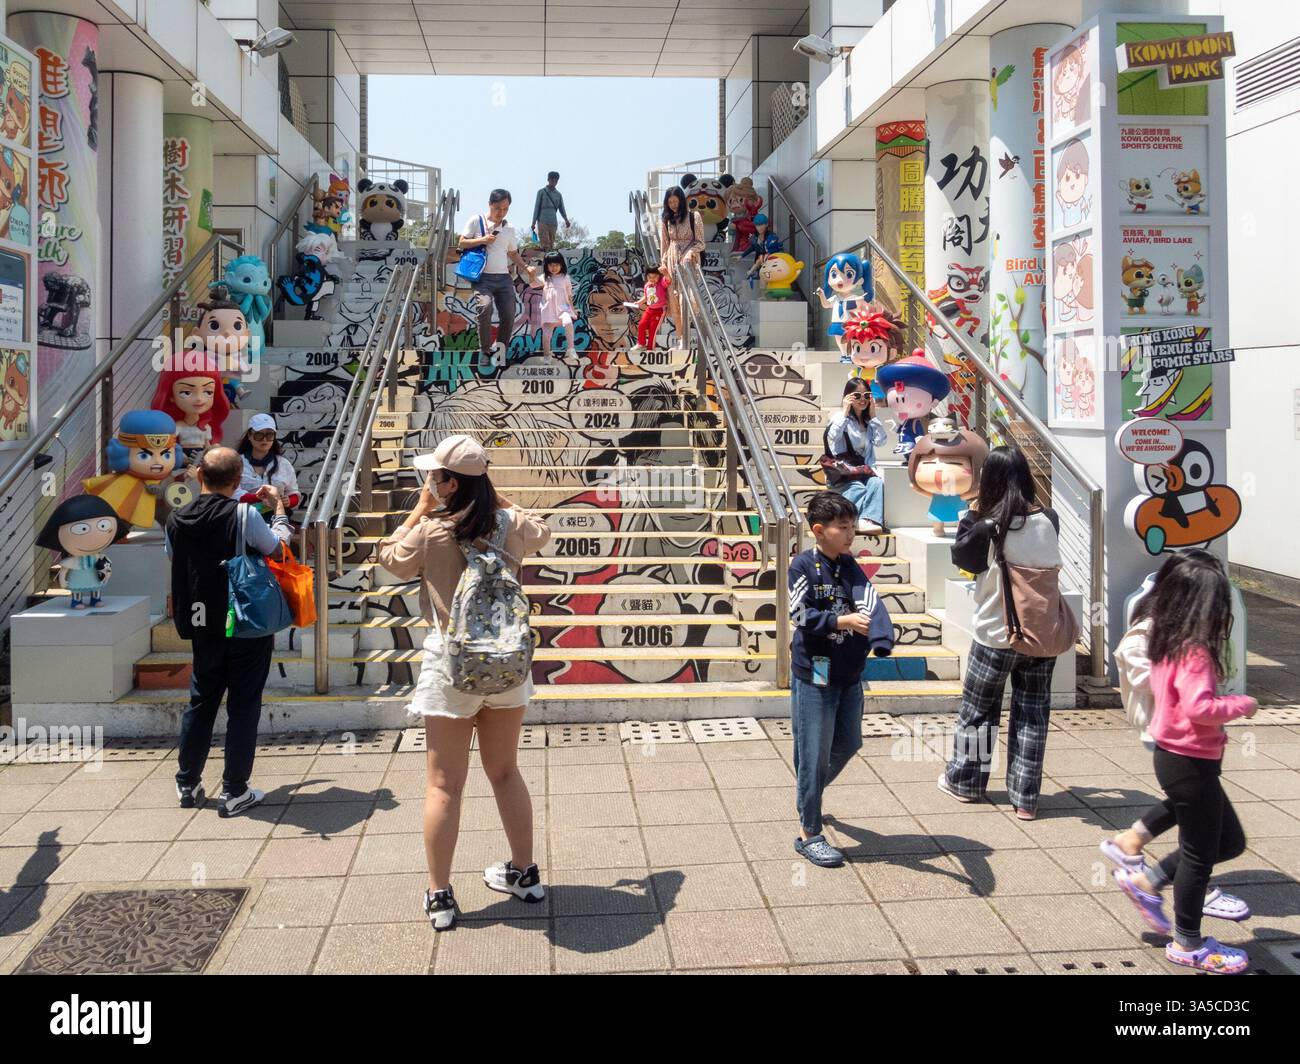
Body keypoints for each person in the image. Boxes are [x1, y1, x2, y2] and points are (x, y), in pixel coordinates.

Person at [376, 434, 551, 931]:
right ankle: (525, 873)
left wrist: (420, 509)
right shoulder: (511, 523)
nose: (429, 481)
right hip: (507, 666)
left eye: (435, 475)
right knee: (505, 772)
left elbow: (389, 560)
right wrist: (494, 497)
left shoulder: (431, 530)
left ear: (448, 482)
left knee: (443, 785)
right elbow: (541, 532)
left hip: (451, 665)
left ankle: (440, 896)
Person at [1107, 550, 1257, 975]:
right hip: (1189, 762)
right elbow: (1198, 706)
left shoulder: (1166, 641)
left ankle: (1146, 881)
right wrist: (1242, 704)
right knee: (1199, 855)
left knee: (1227, 842)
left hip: (1183, 760)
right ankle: (1188, 943)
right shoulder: (1192, 650)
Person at [166, 447, 292, 818]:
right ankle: (235, 791)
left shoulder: (176, 518)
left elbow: (175, 558)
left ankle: (187, 782)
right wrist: (279, 508)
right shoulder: (243, 513)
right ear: (238, 481)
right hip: (244, 621)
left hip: (201, 619)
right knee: (243, 705)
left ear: (200, 476)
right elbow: (277, 547)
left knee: (201, 701)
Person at [940, 445, 1062, 820]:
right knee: (1032, 713)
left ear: (987, 479)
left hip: (994, 634)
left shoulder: (980, 523)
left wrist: (976, 520)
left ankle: (966, 783)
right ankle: (1025, 798)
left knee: (978, 711)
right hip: (1041, 635)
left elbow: (964, 561)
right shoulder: (1049, 518)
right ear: (1025, 477)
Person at [787, 492, 894, 868]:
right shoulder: (802, 565)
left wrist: (880, 636)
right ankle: (809, 833)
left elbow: (870, 599)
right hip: (816, 670)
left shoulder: (848, 565)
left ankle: (807, 793)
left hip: (851, 671)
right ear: (820, 531)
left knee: (848, 741)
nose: (851, 536)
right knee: (813, 752)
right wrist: (840, 621)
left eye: (853, 528)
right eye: (843, 528)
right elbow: (799, 613)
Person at [459, 189, 535, 356]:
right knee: (484, 307)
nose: (501, 212)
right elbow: (462, 242)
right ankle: (485, 351)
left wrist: (526, 267)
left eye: (505, 209)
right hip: (482, 277)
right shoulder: (476, 220)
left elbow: (513, 253)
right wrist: (482, 240)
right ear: (490, 205)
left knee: (509, 313)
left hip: (503, 278)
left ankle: (500, 352)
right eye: (498, 208)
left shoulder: (509, 228)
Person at [822, 379, 887, 534]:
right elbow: (832, 437)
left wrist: (873, 418)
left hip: (864, 471)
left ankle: (867, 520)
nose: (862, 399)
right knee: (857, 487)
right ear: (848, 397)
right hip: (844, 472)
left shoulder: (868, 421)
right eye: (857, 396)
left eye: (867, 395)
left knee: (876, 483)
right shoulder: (840, 418)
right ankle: (849, 521)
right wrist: (844, 412)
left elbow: (881, 442)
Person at [658, 185, 704, 351]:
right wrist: (663, 263)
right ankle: (681, 340)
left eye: (676, 201)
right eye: (670, 202)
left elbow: (700, 243)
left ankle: (693, 334)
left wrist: (689, 253)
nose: (673, 204)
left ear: (682, 201)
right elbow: (664, 244)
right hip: (671, 262)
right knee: (675, 302)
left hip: (688, 262)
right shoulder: (665, 220)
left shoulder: (694, 216)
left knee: (688, 299)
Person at [236, 413, 301, 518]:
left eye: (269, 435)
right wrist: (258, 497)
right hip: (245, 518)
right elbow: (233, 493)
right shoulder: (236, 463)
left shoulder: (283, 464)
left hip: (277, 518)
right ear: (249, 435)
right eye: (259, 435)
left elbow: (294, 493)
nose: (264, 440)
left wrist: (288, 501)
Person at [528, 251, 577, 361]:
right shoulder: (545, 277)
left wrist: (572, 309)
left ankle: (571, 348)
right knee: (546, 336)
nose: (554, 267)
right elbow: (532, 284)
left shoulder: (565, 277)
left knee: (568, 322)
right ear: (546, 266)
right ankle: (547, 356)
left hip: (563, 309)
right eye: (551, 265)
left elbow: (569, 295)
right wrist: (531, 274)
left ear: (561, 265)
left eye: (556, 265)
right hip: (548, 311)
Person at [625, 264, 670, 354]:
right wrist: (639, 302)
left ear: (659, 276)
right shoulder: (647, 285)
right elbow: (646, 297)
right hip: (649, 309)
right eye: (650, 277)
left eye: (655, 276)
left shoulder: (661, 283)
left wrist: (665, 272)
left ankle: (650, 349)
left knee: (653, 330)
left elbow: (668, 280)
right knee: (641, 325)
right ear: (646, 276)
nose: (652, 279)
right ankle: (641, 344)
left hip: (659, 311)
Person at [531, 171, 570, 250]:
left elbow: (562, 208)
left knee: (551, 244)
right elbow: (536, 207)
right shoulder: (541, 192)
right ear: (548, 180)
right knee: (545, 244)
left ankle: (550, 260)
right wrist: (533, 222)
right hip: (542, 220)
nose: (554, 182)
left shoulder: (558, 194)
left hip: (553, 222)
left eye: (556, 181)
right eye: (552, 180)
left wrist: (566, 220)